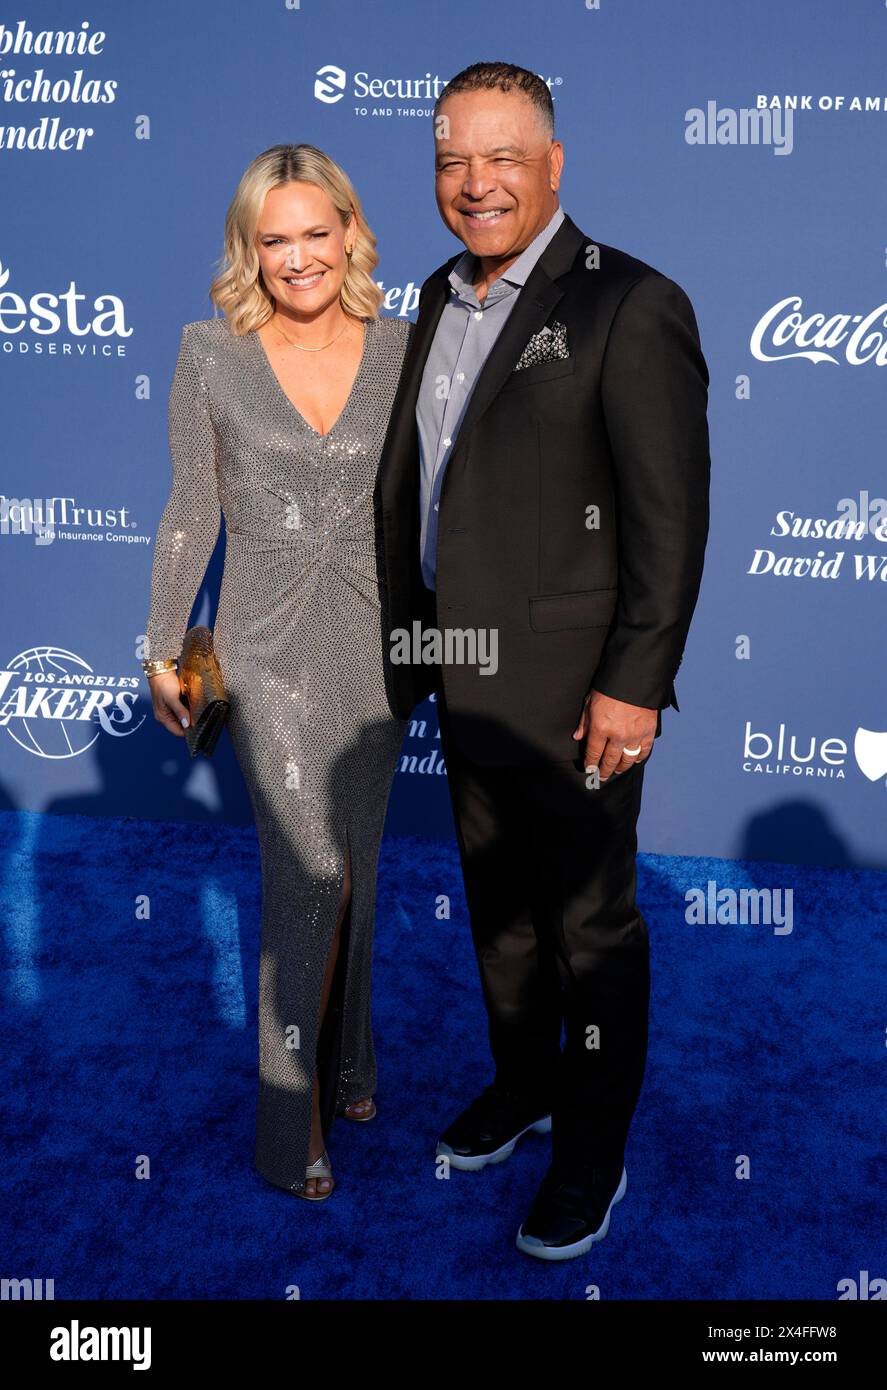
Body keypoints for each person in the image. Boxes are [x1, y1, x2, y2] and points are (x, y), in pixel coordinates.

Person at [376, 63, 711, 1259]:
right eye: (452, 160)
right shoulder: (432, 293)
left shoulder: (629, 303)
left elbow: (667, 518)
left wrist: (633, 681)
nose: (475, 183)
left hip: (578, 698)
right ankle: (523, 1086)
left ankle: (591, 1147)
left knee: (589, 929)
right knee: (499, 916)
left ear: (552, 165)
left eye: (502, 157)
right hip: (459, 678)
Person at [143, 144, 413, 1200]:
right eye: (274, 239)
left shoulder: (404, 346)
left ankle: (351, 1062)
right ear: (246, 249)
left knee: (360, 863)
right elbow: (187, 510)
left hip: (377, 645)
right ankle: (283, 1117)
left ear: (348, 230)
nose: (297, 257)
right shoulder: (208, 352)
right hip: (262, 648)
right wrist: (165, 645)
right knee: (307, 874)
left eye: (315, 231)